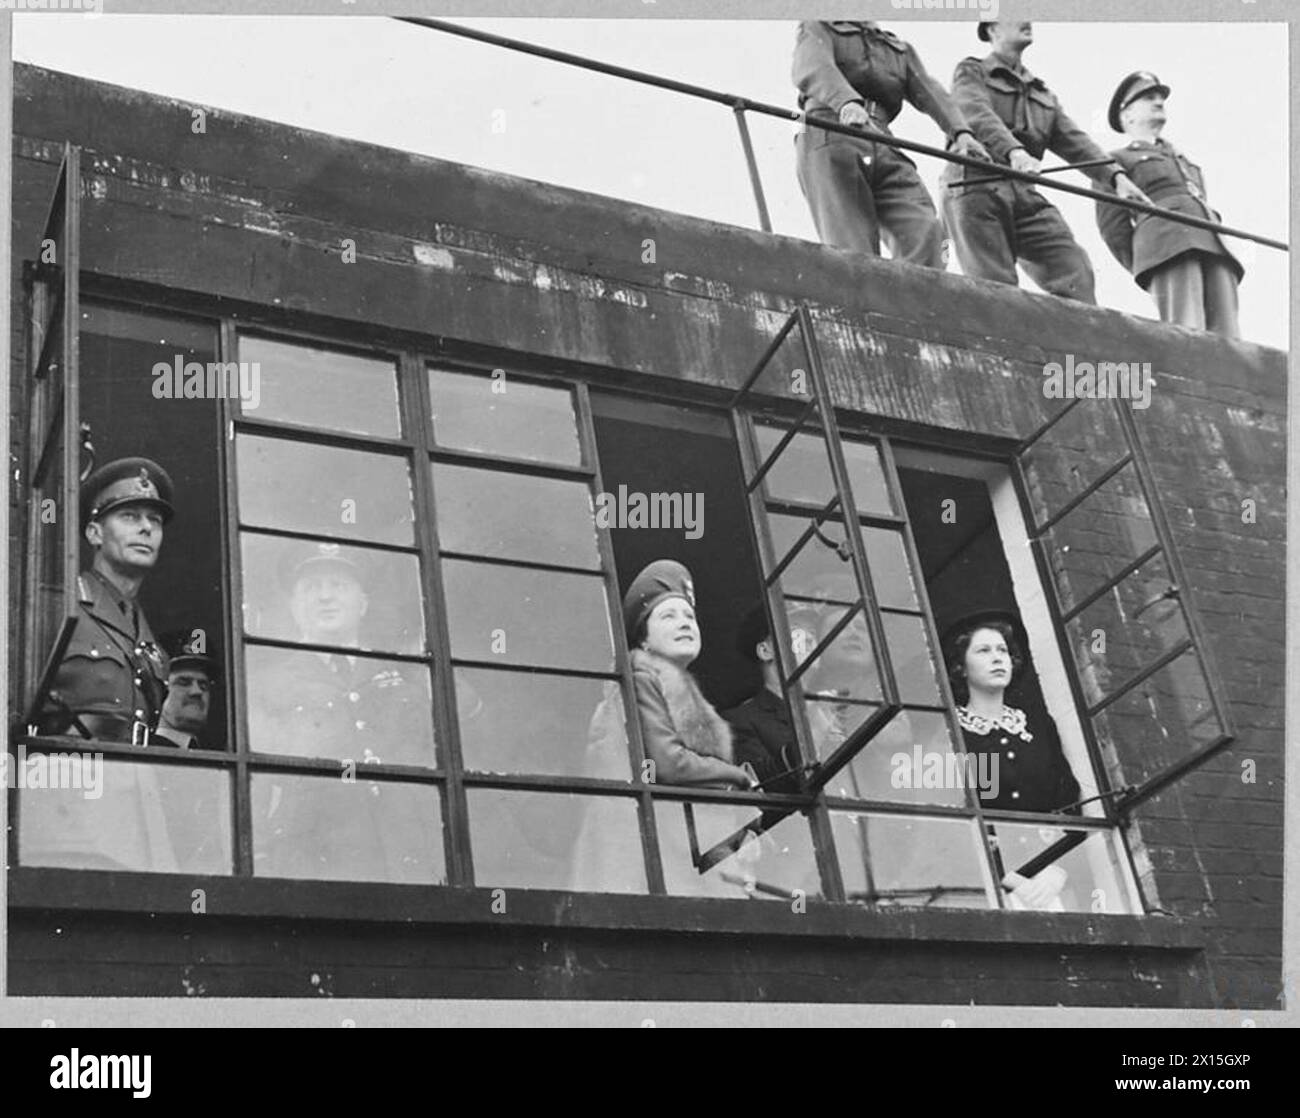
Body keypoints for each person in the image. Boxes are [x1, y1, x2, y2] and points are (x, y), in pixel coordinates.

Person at [942, 21, 1150, 302]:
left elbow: (1075, 141)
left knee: (1075, 272)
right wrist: (1015, 151)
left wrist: (1118, 178)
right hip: (976, 182)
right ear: (992, 29)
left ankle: (1076, 345)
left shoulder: (1042, 93)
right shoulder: (971, 71)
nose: (1026, 19)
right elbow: (974, 113)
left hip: (1024, 190)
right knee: (994, 285)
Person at [792, 20, 989, 267]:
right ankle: (864, 303)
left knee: (927, 232)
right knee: (851, 243)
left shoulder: (897, 49)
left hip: (882, 137)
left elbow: (930, 91)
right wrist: (846, 102)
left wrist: (962, 134)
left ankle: (915, 303)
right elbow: (814, 67)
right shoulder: (819, 27)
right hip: (831, 128)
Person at [941, 608, 1082, 911]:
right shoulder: (950, 734)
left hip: (1053, 880)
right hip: (990, 887)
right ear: (961, 667)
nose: (997, 658)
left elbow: (1069, 799)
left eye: (1003, 650)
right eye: (983, 650)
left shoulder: (1038, 725)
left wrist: (1058, 869)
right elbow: (950, 821)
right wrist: (1012, 879)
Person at [1095, 71, 1243, 337]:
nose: (1159, 102)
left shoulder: (1185, 161)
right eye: (1148, 98)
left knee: (1229, 335)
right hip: (1167, 247)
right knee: (1188, 330)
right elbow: (1112, 228)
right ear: (1126, 115)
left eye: (1160, 98)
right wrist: (1148, 259)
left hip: (1213, 242)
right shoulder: (1114, 161)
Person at [40, 457, 174, 743]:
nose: (146, 528)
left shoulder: (154, 648)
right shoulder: (56, 609)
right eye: (130, 516)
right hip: (67, 776)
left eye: (155, 520)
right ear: (95, 533)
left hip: (133, 778)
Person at [721, 602, 821, 795]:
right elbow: (760, 793)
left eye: (813, 633)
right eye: (796, 633)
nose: (809, 638)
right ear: (765, 651)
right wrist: (813, 737)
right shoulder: (738, 721)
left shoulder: (832, 710)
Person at [153, 635, 220, 750]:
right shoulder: (142, 753)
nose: (197, 691)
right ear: (159, 691)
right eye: (183, 682)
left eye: (203, 685)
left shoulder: (216, 755)